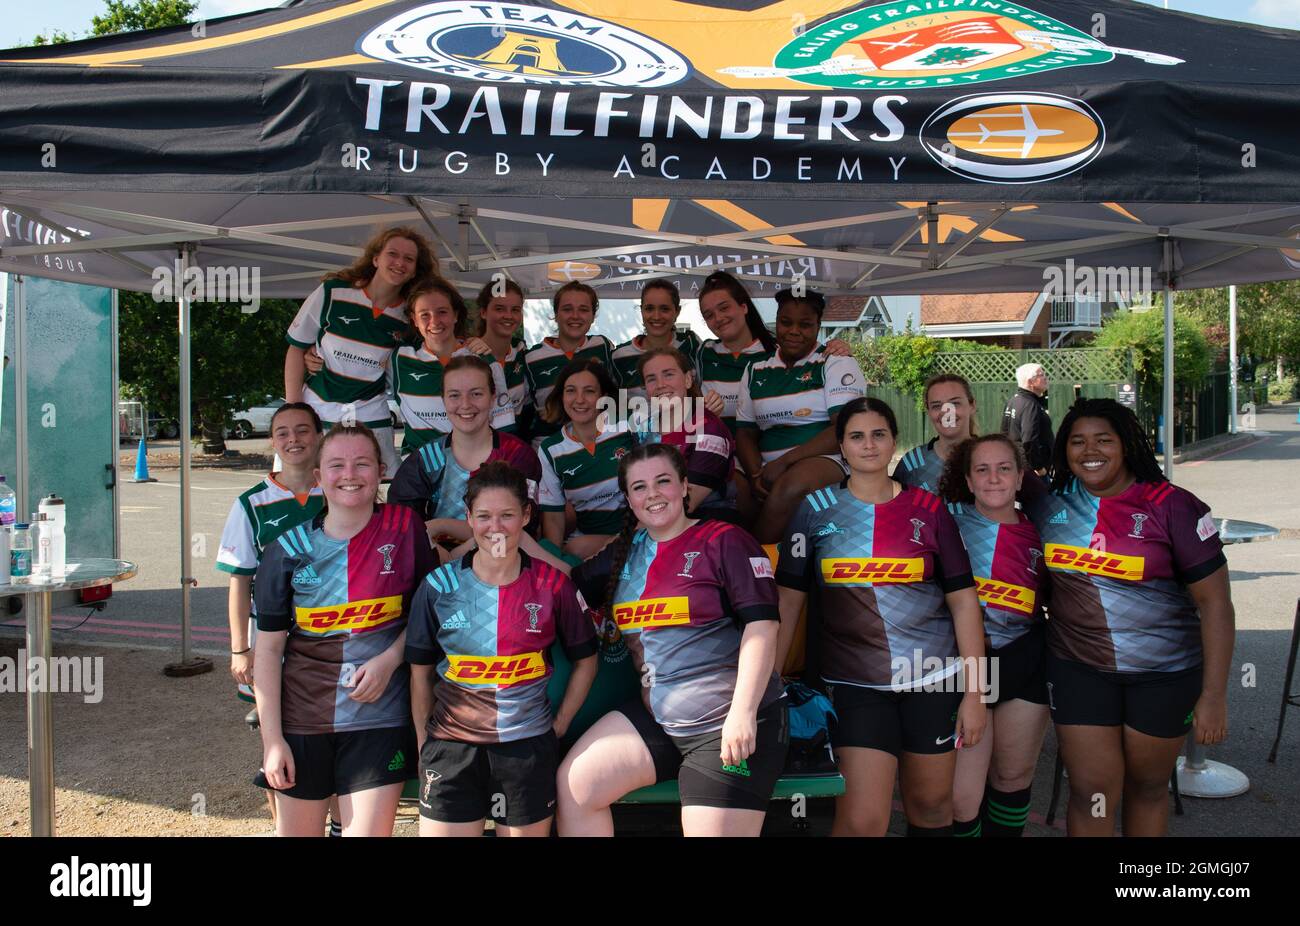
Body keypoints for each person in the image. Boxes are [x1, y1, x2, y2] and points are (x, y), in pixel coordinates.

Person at [1021, 398, 1234, 837]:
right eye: (1077, 441)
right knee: (1091, 790)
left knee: (1148, 788)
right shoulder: (1050, 505)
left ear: (1127, 444)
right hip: (1079, 671)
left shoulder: (1174, 506)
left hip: (1163, 674)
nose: (1089, 450)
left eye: (1103, 440)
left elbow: (1215, 604)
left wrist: (1213, 695)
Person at [775, 396, 987, 837]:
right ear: (842, 446)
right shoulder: (813, 511)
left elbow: (963, 600)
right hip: (855, 685)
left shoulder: (929, 510)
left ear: (893, 441)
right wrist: (769, 682)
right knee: (862, 821)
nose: (868, 445)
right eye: (856, 436)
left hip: (934, 678)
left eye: (879, 434)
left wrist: (975, 693)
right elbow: (789, 601)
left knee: (931, 808)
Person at [556, 443, 789, 837]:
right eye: (639, 487)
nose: (653, 494)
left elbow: (763, 627)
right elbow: (562, 588)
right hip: (659, 717)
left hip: (726, 722)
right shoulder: (625, 554)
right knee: (577, 785)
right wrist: (512, 544)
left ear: (684, 485)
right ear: (628, 499)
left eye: (663, 481)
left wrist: (742, 714)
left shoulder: (725, 540)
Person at [252, 424, 437, 836]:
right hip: (304, 719)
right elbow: (265, 652)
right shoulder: (285, 550)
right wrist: (272, 742)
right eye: (336, 464)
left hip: (379, 719)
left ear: (381, 471)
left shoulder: (406, 530)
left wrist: (390, 661)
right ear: (318, 475)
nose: (349, 474)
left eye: (362, 463)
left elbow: (425, 620)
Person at [406, 462, 598, 836]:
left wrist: (558, 726)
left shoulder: (551, 585)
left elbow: (587, 661)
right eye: (484, 516)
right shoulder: (438, 586)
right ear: (468, 517)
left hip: (525, 748)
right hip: (450, 747)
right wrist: (422, 741)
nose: (495, 527)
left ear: (526, 515)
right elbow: (420, 674)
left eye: (507, 515)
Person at [216, 402, 326, 821]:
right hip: (270, 641)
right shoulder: (251, 503)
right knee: (274, 735)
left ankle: (330, 820)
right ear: (272, 440)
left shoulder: (337, 488)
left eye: (302, 430)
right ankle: (284, 823)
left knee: (321, 733)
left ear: (319, 434)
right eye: (283, 432)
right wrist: (239, 649)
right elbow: (239, 579)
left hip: (328, 639)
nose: (293, 439)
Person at [937, 434, 1051, 838]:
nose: (994, 479)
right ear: (967, 480)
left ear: (1021, 477)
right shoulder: (944, 520)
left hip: (1023, 657)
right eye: (982, 470)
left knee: (1012, 777)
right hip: (965, 666)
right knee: (961, 799)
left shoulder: (1046, 531)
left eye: (1004, 468)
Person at [285, 226, 436, 477]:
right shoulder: (333, 291)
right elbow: (296, 346)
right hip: (319, 410)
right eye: (393, 254)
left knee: (366, 490)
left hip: (371, 414)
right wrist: (293, 410)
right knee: (309, 485)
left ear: (415, 271)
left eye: (409, 259)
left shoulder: (411, 316)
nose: (400, 263)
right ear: (376, 258)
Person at [735, 288, 867, 544]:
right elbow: (745, 433)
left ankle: (755, 562)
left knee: (792, 486)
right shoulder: (755, 370)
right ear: (777, 321)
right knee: (733, 489)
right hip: (767, 468)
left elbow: (845, 428)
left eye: (805, 325)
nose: (794, 331)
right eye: (786, 322)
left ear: (818, 326)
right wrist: (754, 476)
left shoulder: (835, 362)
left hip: (827, 460)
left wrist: (783, 463)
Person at [388, 356, 540, 546]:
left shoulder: (517, 455)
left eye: (476, 394)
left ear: (493, 397)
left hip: (503, 559)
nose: (465, 404)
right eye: (454, 395)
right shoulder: (425, 459)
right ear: (443, 400)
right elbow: (402, 526)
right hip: (438, 564)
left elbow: (524, 525)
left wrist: (441, 526)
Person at [390, 279, 513, 455]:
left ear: (455, 315)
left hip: (473, 467)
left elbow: (503, 424)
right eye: (425, 314)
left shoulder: (483, 357)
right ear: (414, 320)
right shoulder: (400, 359)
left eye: (442, 312)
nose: (434, 321)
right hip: (420, 469)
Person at [537, 358, 638, 560]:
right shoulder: (551, 449)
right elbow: (554, 516)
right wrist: (555, 563)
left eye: (589, 391)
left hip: (638, 531)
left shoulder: (628, 425)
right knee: (573, 550)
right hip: (588, 540)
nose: (579, 399)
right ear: (561, 396)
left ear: (604, 396)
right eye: (571, 390)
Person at [635, 347, 738, 521]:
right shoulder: (644, 429)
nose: (660, 384)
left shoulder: (708, 428)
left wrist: (628, 538)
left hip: (706, 527)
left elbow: (686, 504)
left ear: (688, 380)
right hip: (656, 522)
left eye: (668, 374)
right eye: (651, 379)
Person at [522, 281, 615, 444]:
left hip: (598, 443)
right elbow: (524, 412)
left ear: (593, 316)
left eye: (584, 310)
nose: (575, 316)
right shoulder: (531, 358)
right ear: (556, 314)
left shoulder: (602, 346)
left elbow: (614, 395)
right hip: (549, 446)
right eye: (567, 309)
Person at [610, 279, 703, 400]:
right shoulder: (619, 356)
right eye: (649, 308)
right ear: (641, 310)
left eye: (664, 309)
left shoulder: (691, 344)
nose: (657, 316)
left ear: (677, 311)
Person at [894, 374, 979, 493]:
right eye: (937, 406)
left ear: (972, 406)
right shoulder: (911, 464)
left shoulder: (992, 459)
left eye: (954, 403)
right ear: (928, 411)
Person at [475, 278, 532, 436]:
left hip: (516, 453)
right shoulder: (467, 358)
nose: (508, 316)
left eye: (515, 309)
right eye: (499, 309)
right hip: (477, 455)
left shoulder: (523, 355)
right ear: (483, 312)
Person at [1002, 362, 1053, 474]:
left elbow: (1004, 434)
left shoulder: (1013, 401)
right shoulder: (1030, 405)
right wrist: (1039, 468)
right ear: (1031, 382)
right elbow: (1029, 440)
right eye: (1041, 375)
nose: (1046, 378)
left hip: (1017, 466)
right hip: (1031, 471)